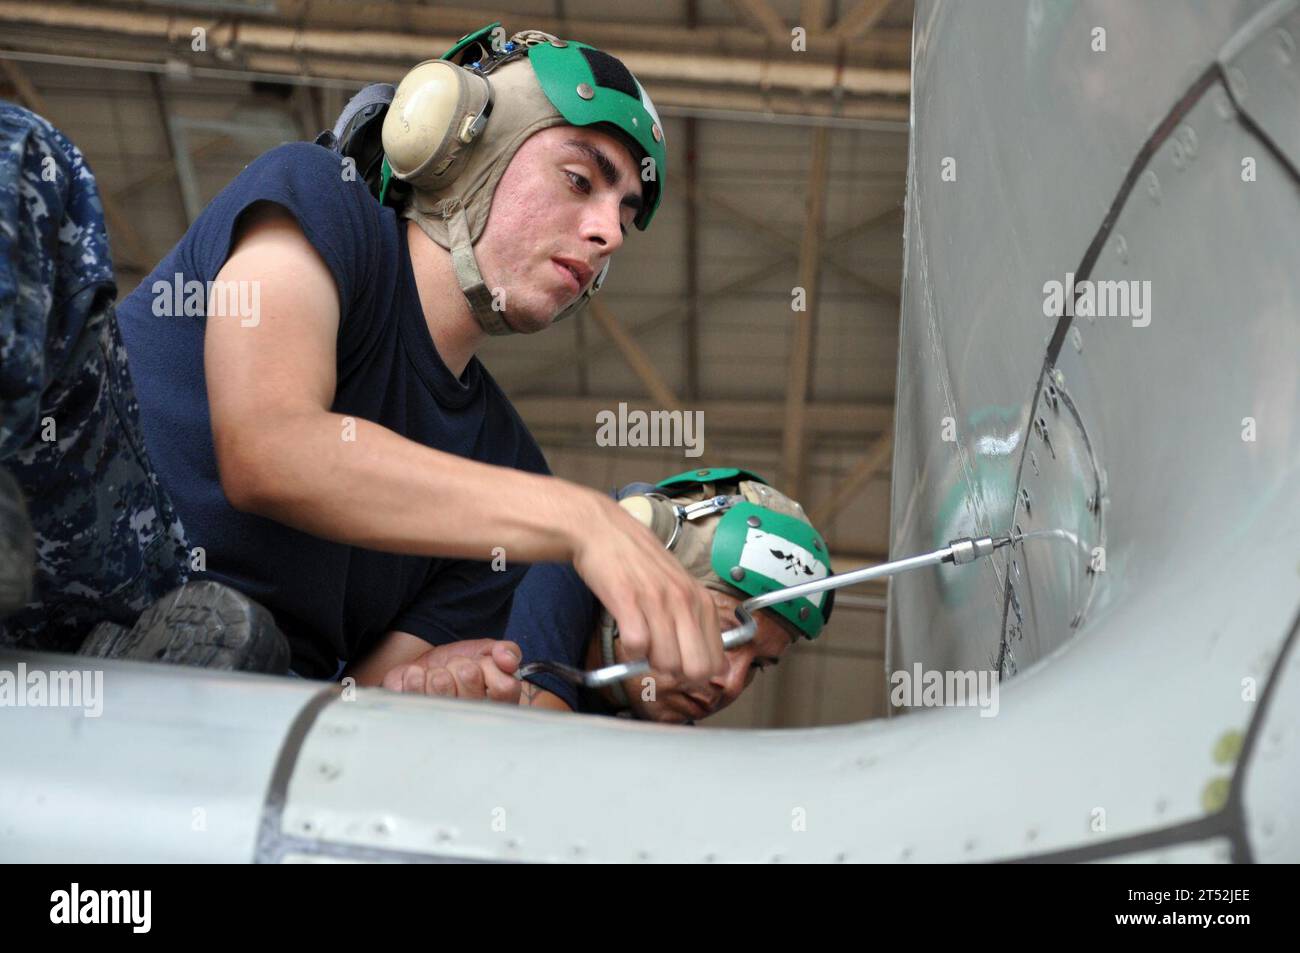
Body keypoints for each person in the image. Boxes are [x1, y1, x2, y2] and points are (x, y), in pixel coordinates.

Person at [0, 24, 725, 696]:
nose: (609, 234)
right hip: (85, 538)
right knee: (24, 160)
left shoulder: (513, 473)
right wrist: (581, 517)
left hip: (239, 691)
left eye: (625, 215)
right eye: (579, 180)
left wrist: (428, 690)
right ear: (456, 145)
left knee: (255, 652)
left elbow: (359, 702)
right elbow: (269, 447)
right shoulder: (320, 199)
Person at [382, 468, 835, 722]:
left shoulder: (654, 705)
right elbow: (540, 742)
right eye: (719, 634)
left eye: (756, 665)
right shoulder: (544, 567)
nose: (730, 682)